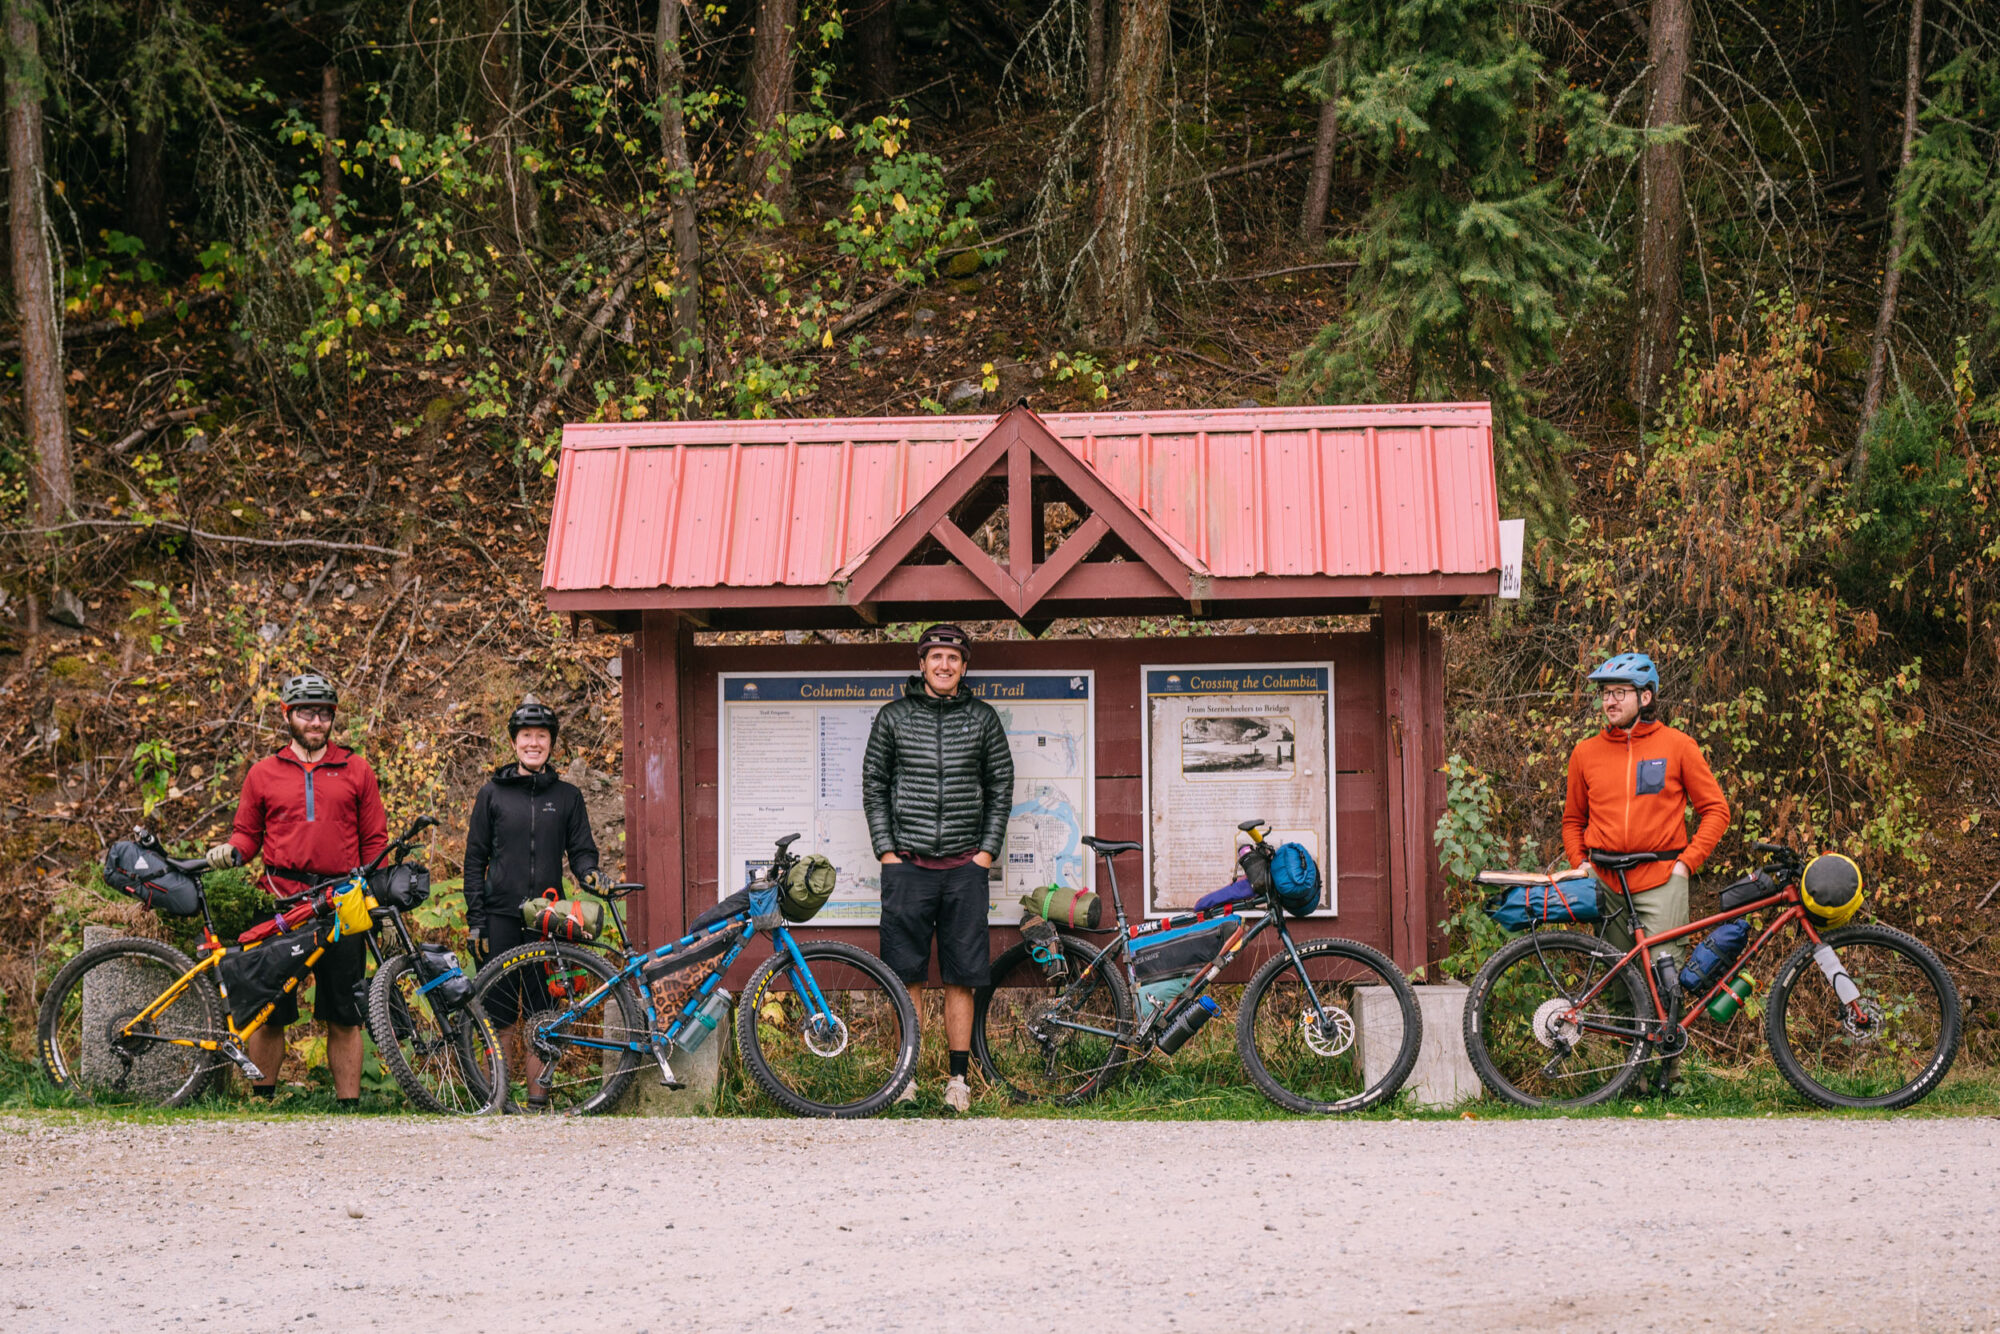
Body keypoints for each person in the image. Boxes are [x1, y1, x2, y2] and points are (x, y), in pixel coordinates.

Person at [206, 672, 386, 1107]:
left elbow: (376, 841)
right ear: (287, 714)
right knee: (271, 1011)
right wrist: (230, 852)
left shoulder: (355, 768)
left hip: (342, 904)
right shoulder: (264, 773)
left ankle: (349, 1108)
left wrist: (372, 892)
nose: (316, 722)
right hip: (280, 904)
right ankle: (262, 1100)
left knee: (345, 1013)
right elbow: (247, 836)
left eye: (324, 714)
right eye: (306, 712)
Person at [862, 623, 1013, 1114]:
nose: (944, 665)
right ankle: (905, 1079)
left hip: (964, 868)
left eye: (953, 657)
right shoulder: (893, 718)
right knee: (906, 975)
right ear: (921, 663)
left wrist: (985, 853)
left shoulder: (983, 719)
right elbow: (874, 786)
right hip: (907, 866)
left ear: (964, 667)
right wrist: (887, 851)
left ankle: (957, 1080)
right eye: (936, 657)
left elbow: (1000, 788)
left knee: (961, 977)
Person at [462, 698, 602, 1109]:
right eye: (527, 736)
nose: (534, 743)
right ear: (514, 742)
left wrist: (591, 874)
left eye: (542, 736)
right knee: (499, 1012)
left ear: (551, 744)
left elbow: (581, 852)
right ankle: (497, 1099)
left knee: (544, 1013)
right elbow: (475, 859)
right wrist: (476, 920)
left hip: (546, 918)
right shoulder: (492, 794)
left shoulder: (568, 796)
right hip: (500, 916)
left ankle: (539, 1103)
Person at [1563, 651, 1731, 978]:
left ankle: (1662, 1030)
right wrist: (1580, 865)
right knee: (1618, 983)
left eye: (1618, 693)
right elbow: (1572, 821)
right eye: (1605, 693)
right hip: (1605, 882)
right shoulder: (1585, 753)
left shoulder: (1678, 746)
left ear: (1645, 696)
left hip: (1661, 879)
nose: (1609, 701)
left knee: (1663, 981)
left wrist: (1686, 864)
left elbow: (1716, 810)